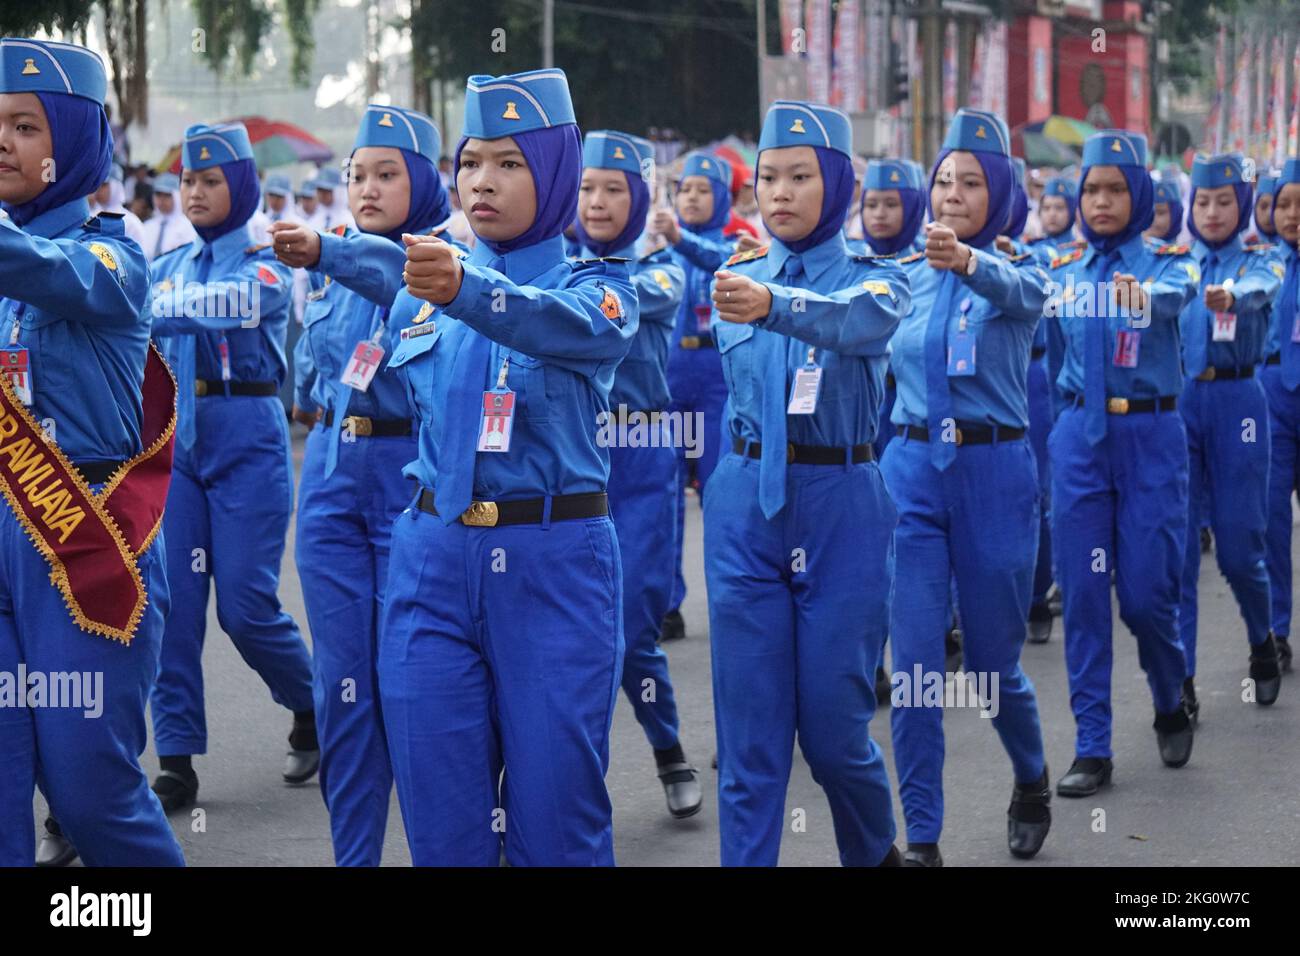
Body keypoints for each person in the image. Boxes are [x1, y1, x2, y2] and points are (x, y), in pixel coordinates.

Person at [378, 68, 639, 866]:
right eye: (471, 162)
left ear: (554, 172)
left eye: (511, 163)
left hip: (553, 566)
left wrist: (468, 289)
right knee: (442, 828)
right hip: (430, 558)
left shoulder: (602, 293)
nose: (482, 182)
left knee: (555, 827)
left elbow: (549, 322)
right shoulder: (419, 291)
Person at [704, 99, 907, 867]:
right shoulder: (734, 278)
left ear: (840, 184)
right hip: (745, 502)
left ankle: (876, 851)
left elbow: (858, 324)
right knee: (749, 743)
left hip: (842, 506)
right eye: (767, 177)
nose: (779, 192)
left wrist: (778, 306)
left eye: (800, 176)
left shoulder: (878, 281)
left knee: (833, 736)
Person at [0, 35, 184, 867]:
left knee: (87, 791)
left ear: (71, 145)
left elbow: (47, 272)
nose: (2, 140)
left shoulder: (115, 252)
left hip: (84, 543)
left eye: (26, 126)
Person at [264, 104, 453, 866]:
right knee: (345, 694)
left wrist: (325, 252)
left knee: (418, 690)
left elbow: (385, 271)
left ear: (427, 181)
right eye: (357, 175)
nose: (366, 189)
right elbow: (315, 377)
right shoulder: (330, 264)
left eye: (387, 175)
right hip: (336, 482)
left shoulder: (449, 258)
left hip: (416, 483)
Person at [883, 109, 1052, 866]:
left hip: (995, 476)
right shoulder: (902, 279)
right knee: (916, 669)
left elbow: (1024, 295)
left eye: (972, 182)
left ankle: (1032, 776)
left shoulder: (1020, 270)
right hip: (911, 474)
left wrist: (970, 263)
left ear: (1002, 192)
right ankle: (922, 836)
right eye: (944, 180)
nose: (953, 194)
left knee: (990, 667)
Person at [147, 122, 318, 812]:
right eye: (188, 180)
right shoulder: (170, 266)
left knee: (245, 608)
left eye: (210, 180)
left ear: (240, 185)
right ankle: (177, 762)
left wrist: (157, 308)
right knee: (172, 609)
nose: (194, 191)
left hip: (247, 440)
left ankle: (310, 706)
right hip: (178, 448)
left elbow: (241, 304)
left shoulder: (268, 255)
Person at [1046, 130, 1199, 798]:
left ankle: (1170, 695)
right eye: (1091, 190)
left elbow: (1174, 298)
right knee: (1082, 596)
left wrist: (1141, 296)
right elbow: (1054, 354)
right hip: (1080, 439)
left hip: (1150, 439)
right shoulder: (1065, 268)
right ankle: (1093, 745)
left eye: (1114, 189)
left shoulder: (1170, 262)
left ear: (1139, 194)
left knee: (1142, 596)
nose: (1100, 201)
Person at [574, 129, 703, 819]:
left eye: (614, 189)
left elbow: (617, 302)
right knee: (573, 635)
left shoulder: (662, 270)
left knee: (627, 630)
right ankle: (567, 784)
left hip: (642, 451)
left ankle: (666, 745)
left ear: (641, 197)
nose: (596, 201)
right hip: (571, 454)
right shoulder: (553, 265)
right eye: (587, 187)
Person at [1178, 152, 1283, 714]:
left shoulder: (1259, 260)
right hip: (1179, 404)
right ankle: (1181, 681)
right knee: (1179, 553)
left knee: (1240, 547)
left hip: (1240, 403)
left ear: (1240, 205)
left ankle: (1262, 638)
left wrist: (1231, 298)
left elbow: (1262, 289)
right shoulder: (1171, 262)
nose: (1212, 212)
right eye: (1202, 201)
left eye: (1224, 201)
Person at [649, 151, 735, 643]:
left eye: (704, 190)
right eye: (686, 190)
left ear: (723, 197)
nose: (693, 198)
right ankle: (667, 602)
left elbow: (725, 264)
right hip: (670, 378)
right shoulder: (660, 251)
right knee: (665, 493)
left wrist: (682, 239)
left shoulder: (734, 247)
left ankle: (731, 596)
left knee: (719, 492)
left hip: (716, 379)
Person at [1261, 158, 1300, 676]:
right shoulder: (1260, 265)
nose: (1291, 215)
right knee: (1268, 518)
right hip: (1271, 398)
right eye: (1283, 204)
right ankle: (1275, 627)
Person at [138, 172, 197, 262]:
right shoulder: (147, 226)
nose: (162, 200)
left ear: (176, 196)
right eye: (158, 195)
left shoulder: (188, 227)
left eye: (167, 195)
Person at [1144, 179, 1183, 243]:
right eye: (1147, 212)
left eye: (1160, 212)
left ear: (1176, 215)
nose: (1151, 218)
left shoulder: (1187, 251)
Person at [1246, 170, 1278, 246]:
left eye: (1275, 206)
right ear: (1254, 208)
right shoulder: (1247, 245)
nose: (1269, 214)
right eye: (1263, 206)